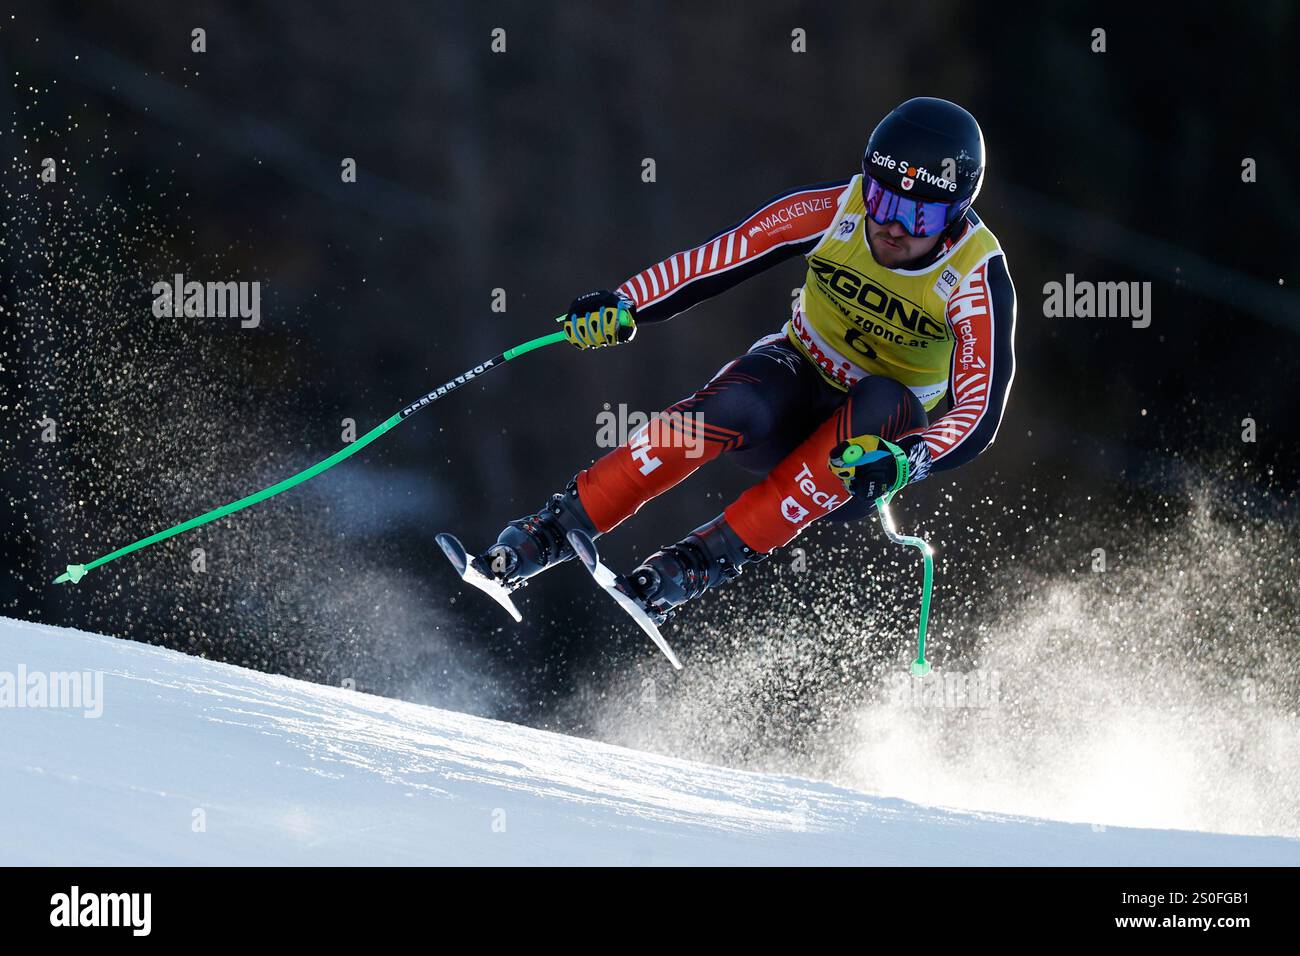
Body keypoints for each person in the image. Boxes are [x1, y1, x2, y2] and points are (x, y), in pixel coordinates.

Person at [480, 96, 1016, 623]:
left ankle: (693, 566)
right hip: (792, 385)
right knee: (734, 402)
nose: (893, 226)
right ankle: (550, 531)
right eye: (883, 200)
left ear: (954, 217)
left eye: (918, 214)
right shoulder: (834, 211)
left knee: (886, 398)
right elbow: (716, 259)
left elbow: (980, 411)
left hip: (863, 450)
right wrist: (625, 303)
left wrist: (908, 459)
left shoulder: (974, 277)